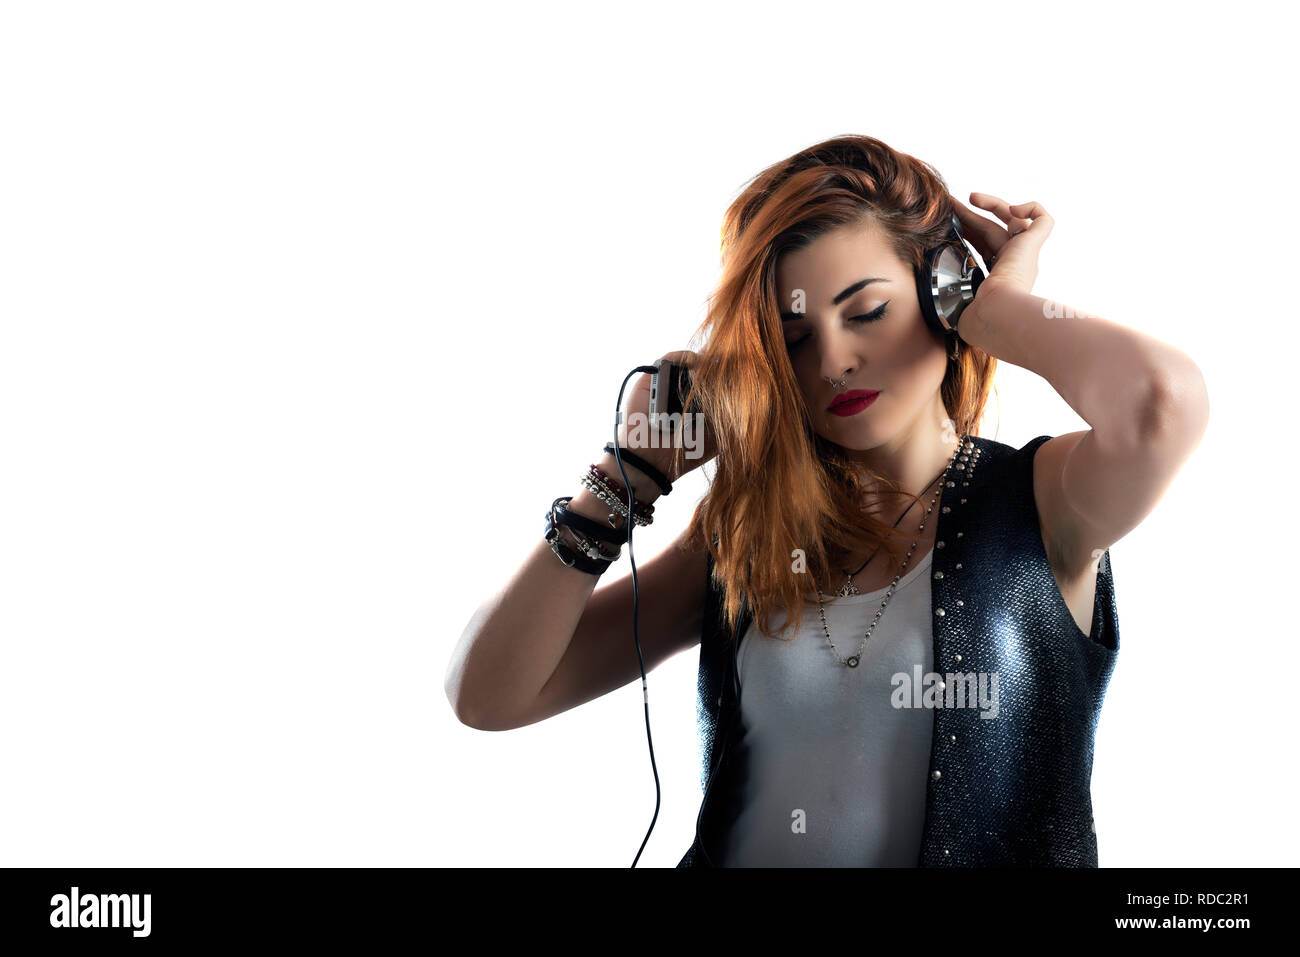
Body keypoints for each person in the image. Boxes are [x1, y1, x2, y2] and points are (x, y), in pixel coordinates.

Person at [444, 134, 1209, 866]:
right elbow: (487, 694)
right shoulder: (747, 532)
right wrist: (623, 478)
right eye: (794, 337)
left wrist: (997, 308)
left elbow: (1162, 402)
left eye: (867, 311)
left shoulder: (1046, 505)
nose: (835, 359)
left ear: (944, 292)